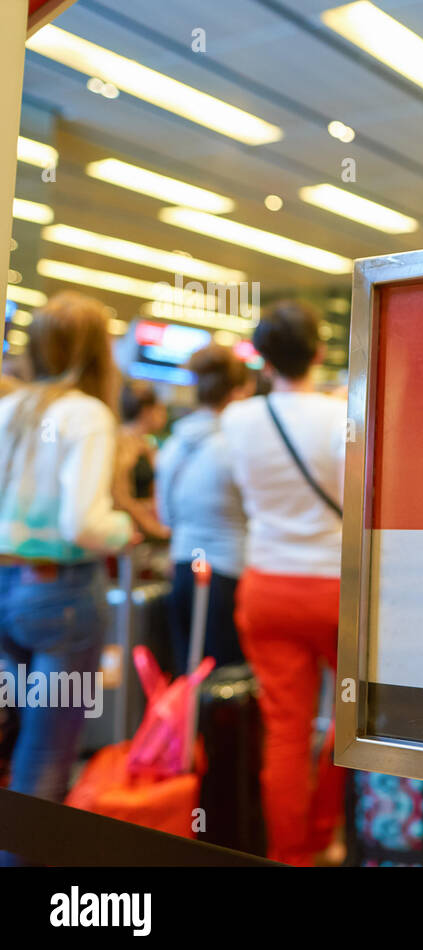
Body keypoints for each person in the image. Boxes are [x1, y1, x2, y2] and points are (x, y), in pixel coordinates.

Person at [0, 292, 133, 850]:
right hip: (64, 595)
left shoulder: (12, 407)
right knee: (45, 755)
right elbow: (85, 523)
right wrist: (126, 527)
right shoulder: (87, 414)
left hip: (5, 585)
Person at [222, 300, 347, 866]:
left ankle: (288, 854)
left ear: (263, 358)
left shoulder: (238, 418)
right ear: (318, 353)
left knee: (285, 729)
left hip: (267, 585)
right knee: (351, 720)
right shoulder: (338, 416)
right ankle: (328, 832)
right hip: (333, 589)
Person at [155, 345, 253, 671]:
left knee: (188, 676)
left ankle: (190, 726)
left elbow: (166, 516)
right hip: (230, 572)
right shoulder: (238, 445)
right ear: (240, 391)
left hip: (184, 567)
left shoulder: (173, 445)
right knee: (228, 678)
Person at [114, 380, 170, 541]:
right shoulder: (123, 442)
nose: (163, 414)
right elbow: (122, 496)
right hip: (133, 532)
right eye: (160, 408)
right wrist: (153, 527)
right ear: (146, 411)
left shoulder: (146, 443)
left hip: (146, 528)